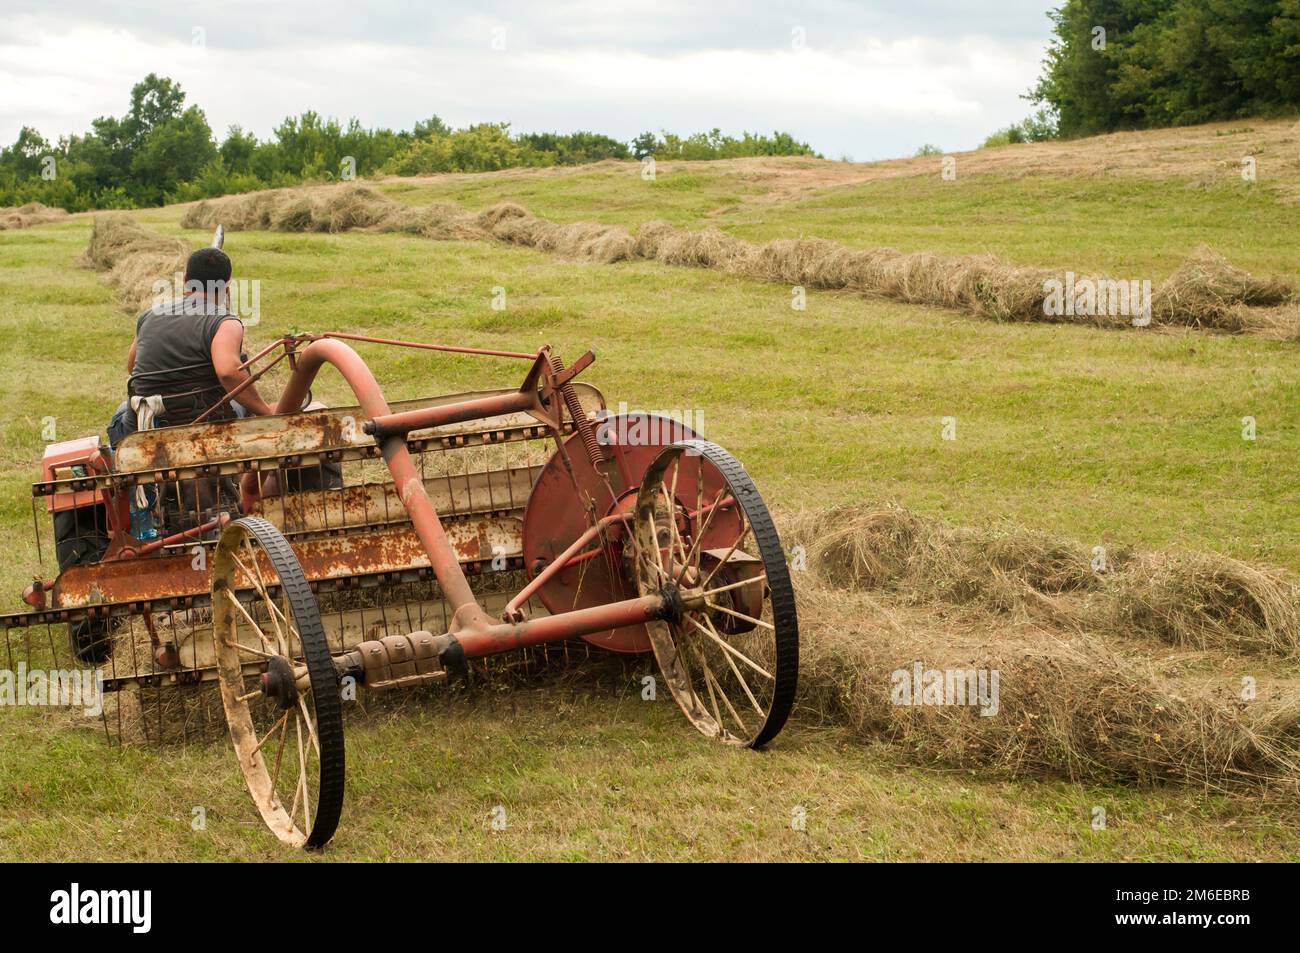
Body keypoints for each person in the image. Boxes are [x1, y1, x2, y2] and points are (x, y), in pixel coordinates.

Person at [108, 246, 275, 447]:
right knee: (241, 403)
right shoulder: (225, 323)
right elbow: (229, 373)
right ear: (227, 286)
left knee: (120, 411)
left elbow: (132, 367)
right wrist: (266, 412)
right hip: (205, 426)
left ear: (186, 280)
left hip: (139, 430)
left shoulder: (149, 315)